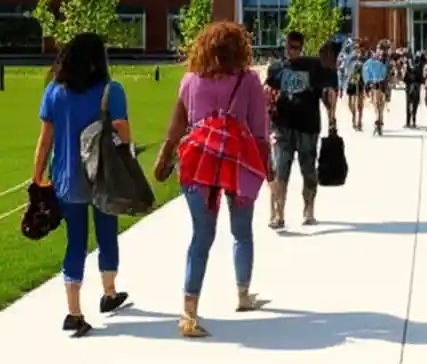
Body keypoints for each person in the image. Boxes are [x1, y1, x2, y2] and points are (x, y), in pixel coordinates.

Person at [154, 22, 269, 337]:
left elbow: (177, 125)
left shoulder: (190, 80)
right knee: (241, 232)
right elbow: (259, 131)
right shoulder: (248, 81)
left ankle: (189, 313)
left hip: (198, 161)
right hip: (238, 161)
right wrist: (267, 170)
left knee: (201, 237)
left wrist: (164, 159)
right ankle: (243, 295)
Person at [31, 33, 130, 337]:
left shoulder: (54, 92)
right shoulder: (111, 91)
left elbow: (45, 140)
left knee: (75, 242)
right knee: (106, 233)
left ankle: (74, 311)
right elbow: (123, 134)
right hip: (103, 177)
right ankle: (109, 292)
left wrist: (37, 176)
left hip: (66, 178)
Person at [265, 31, 336, 229]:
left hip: (308, 126)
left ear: (301, 47)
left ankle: (308, 209)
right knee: (280, 171)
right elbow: (268, 93)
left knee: (308, 170)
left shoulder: (313, 67)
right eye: (289, 47)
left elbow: (324, 91)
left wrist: (329, 101)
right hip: (282, 126)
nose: (292, 51)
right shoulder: (276, 69)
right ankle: (278, 213)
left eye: (296, 47)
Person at [362, 46, 390, 135]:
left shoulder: (385, 63)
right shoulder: (372, 63)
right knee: (378, 105)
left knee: (379, 105)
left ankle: (379, 120)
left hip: (381, 85)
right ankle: (379, 120)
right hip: (377, 85)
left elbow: (388, 75)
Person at [345, 48, 365, 132]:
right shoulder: (350, 61)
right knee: (350, 104)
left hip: (360, 82)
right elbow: (347, 72)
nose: (358, 54)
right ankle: (354, 118)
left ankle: (359, 122)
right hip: (352, 82)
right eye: (357, 52)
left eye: (359, 52)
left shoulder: (363, 62)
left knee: (360, 104)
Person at [404, 50, 424, 129]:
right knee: (415, 104)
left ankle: (408, 122)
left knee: (409, 104)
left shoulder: (409, 66)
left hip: (410, 86)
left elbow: (405, 78)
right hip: (416, 86)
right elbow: (421, 78)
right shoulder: (420, 66)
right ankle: (413, 121)